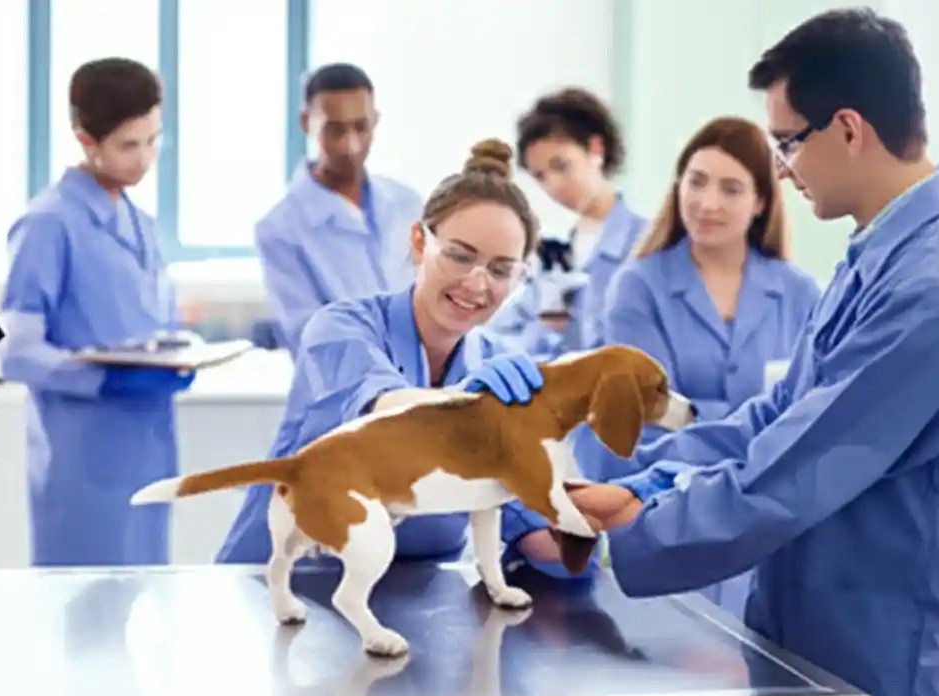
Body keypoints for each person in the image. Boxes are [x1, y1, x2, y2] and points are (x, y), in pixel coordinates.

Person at [563, 9, 939, 696]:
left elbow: (798, 471)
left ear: (848, 129)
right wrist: (639, 485)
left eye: (787, 143)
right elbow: (775, 420)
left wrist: (628, 528)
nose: (781, 170)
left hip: (900, 661)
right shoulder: (879, 258)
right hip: (820, 635)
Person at [217, 139, 595, 578]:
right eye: (459, 255)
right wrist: (471, 408)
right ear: (420, 242)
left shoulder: (498, 368)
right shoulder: (341, 329)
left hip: (416, 606)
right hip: (286, 582)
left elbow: (539, 532)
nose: (476, 284)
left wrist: (597, 517)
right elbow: (384, 408)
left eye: (499, 269)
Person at [584, 115, 820, 619]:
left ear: (760, 201)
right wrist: (760, 428)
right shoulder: (638, 287)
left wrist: (711, 415)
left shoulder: (800, 293)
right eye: (696, 181)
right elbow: (644, 420)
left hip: (760, 538)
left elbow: (811, 417)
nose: (707, 202)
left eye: (731, 188)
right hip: (664, 521)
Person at [0, 58, 194, 567]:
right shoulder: (48, 224)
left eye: (154, 140)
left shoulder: (141, 224)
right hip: (81, 456)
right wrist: (101, 380)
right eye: (129, 145)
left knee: (146, 597)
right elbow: (17, 353)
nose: (145, 159)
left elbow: (156, 323)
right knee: (81, 614)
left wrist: (177, 359)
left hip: (148, 446)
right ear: (85, 139)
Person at [256, 62, 423, 352]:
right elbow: (307, 335)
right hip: (345, 389)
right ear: (306, 122)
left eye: (361, 127)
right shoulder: (280, 229)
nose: (351, 145)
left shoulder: (407, 204)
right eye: (335, 130)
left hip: (423, 381)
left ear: (376, 121)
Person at [485, 88, 646, 358]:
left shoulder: (648, 241)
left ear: (596, 149)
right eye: (541, 176)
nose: (554, 185)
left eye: (561, 166)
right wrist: (545, 327)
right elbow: (497, 338)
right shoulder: (552, 254)